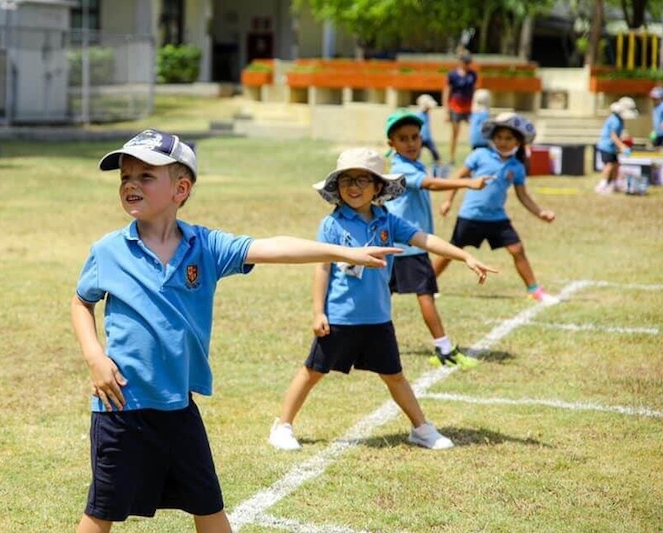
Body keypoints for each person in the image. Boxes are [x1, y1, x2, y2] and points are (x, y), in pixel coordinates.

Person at [71, 129, 404, 533]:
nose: (131, 184)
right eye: (125, 177)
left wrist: (343, 252)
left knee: (208, 505)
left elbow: (274, 247)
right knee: (102, 510)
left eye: (145, 176)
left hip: (178, 407)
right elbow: (81, 302)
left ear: (181, 189)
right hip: (121, 407)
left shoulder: (206, 246)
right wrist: (94, 357)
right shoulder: (108, 250)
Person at [268, 147, 497, 452]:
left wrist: (464, 256)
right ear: (337, 186)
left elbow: (425, 239)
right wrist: (318, 312)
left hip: (378, 318)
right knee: (313, 371)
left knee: (394, 376)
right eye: (346, 180)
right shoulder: (331, 225)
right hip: (339, 317)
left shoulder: (388, 222)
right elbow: (321, 268)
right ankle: (282, 426)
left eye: (363, 180)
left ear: (378, 187)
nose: (354, 187)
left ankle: (421, 429)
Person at [384, 109, 490, 368]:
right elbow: (430, 184)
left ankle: (359, 340)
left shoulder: (414, 165)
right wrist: (466, 183)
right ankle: (444, 349)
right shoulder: (401, 169)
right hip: (409, 247)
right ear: (391, 144)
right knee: (425, 294)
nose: (411, 143)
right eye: (403, 139)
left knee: (382, 295)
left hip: (399, 245)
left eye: (415, 137)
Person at [432, 113, 559, 304]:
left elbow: (523, 196)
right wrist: (447, 201)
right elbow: (458, 178)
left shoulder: (517, 166)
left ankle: (534, 290)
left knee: (517, 249)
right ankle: (428, 283)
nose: (503, 142)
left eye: (508, 138)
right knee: (452, 251)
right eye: (499, 137)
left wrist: (540, 213)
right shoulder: (480, 155)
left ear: (518, 141)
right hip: (471, 215)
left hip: (497, 218)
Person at [594, 96, 638, 195]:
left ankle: (613, 184)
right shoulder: (615, 121)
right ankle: (602, 185)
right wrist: (622, 146)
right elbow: (613, 136)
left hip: (612, 147)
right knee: (609, 165)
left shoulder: (620, 120)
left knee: (616, 165)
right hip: (606, 146)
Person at [442, 51, 478, 164]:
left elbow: (474, 90)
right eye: (465, 62)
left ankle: (474, 157)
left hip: (469, 106)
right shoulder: (453, 75)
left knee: (475, 130)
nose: (467, 64)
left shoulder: (472, 75)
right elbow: (447, 92)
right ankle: (451, 158)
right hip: (456, 105)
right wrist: (446, 110)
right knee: (455, 133)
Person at [415, 94, 443, 173]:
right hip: (421, 138)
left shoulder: (427, 114)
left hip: (428, 138)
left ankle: (439, 166)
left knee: (434, 152)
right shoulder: (418, 115)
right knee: (417, 153)